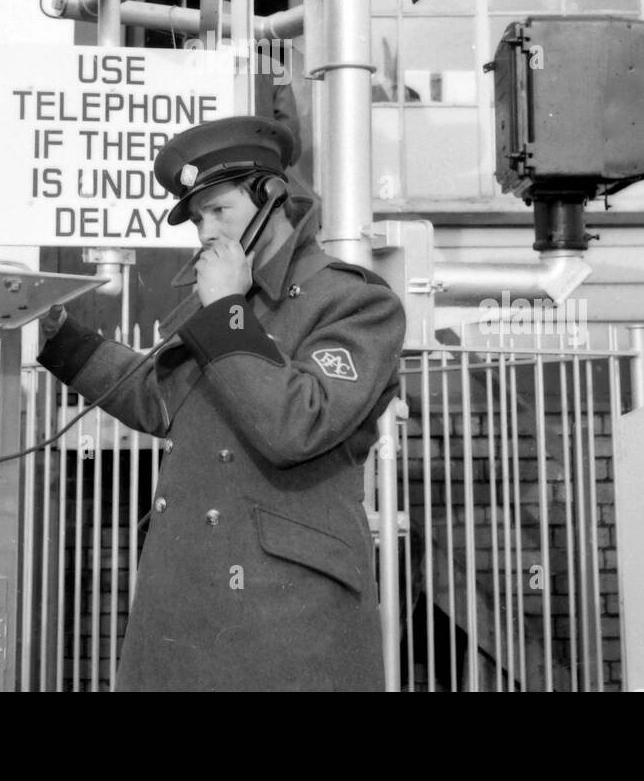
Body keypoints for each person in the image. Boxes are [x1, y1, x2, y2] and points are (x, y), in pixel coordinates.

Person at [36, 115, 407, 692]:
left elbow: (296, 425)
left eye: (219, 210)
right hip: (184, 593)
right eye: (197, 216)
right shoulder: (221, 302)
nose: (206, 231)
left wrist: (225, 311)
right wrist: (60, 336)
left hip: (285, 610)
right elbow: (161, 402)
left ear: (272, 197)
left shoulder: (352, 301)